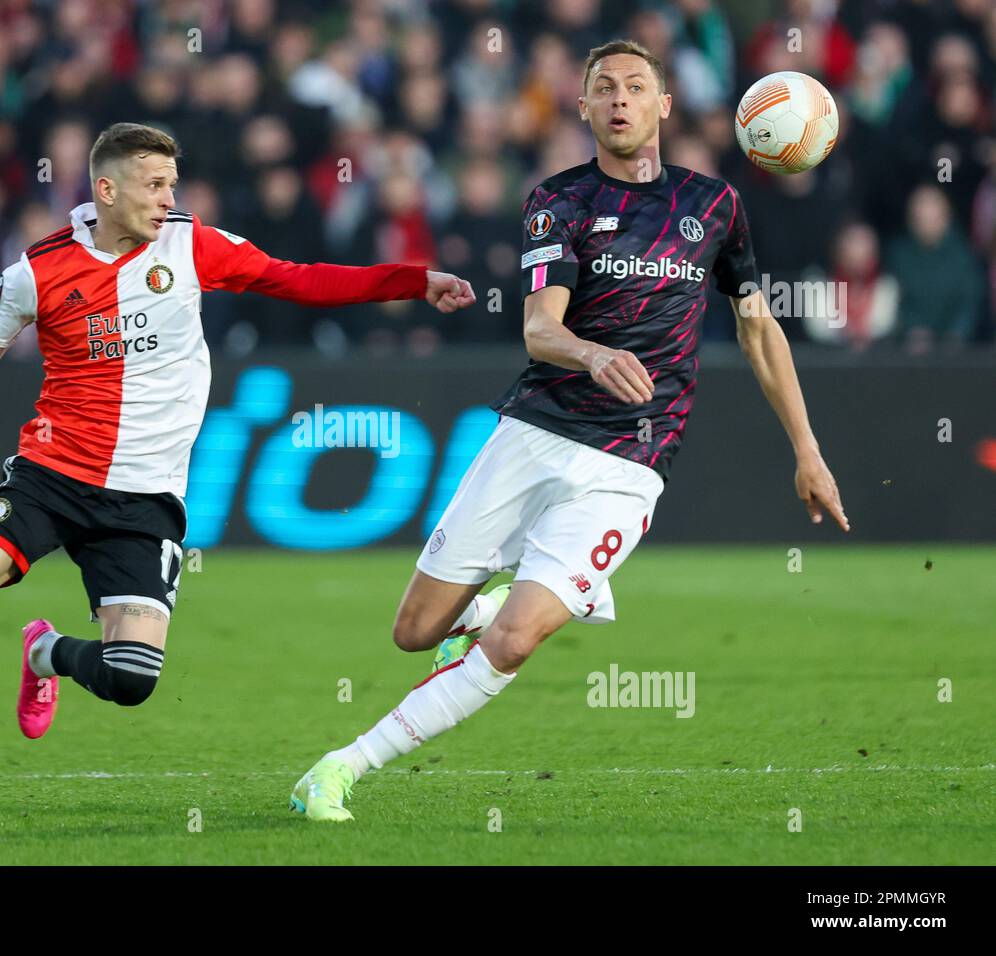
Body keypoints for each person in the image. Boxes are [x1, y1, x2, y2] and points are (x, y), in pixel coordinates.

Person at [0, 122, 476, 796]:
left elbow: (301, 278)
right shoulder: (37, 272)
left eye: (172, 184)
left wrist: (413, 280)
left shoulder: (192, 247)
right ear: (107, 189)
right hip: (48, 479)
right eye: (155, 184)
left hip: (144, 502)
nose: (169, 198)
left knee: (131, 679)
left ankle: (45, 654)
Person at [290, 40, 850, 822]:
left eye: (635, 87)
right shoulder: (559, 201)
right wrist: (594, 353)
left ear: (663, 105)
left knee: (517, 642)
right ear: (583, 108)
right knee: (416, 632)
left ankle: (339, 768)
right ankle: (478, 611)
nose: (620, 99)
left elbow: (757, 329)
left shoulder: (713, 206)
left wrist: (808, 450)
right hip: (537, 430)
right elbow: (539, 329)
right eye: (603, 89)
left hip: (632, 460)